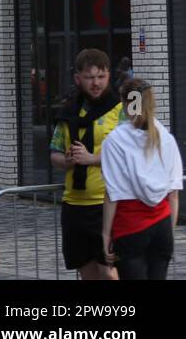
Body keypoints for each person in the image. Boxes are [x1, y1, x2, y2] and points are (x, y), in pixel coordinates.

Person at [50, 47, 123, 280]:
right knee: (87, 272)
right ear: (77, 78)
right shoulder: (69, 111)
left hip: (108, 203)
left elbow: (130, 155)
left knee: (109, 272)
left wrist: (92, 159)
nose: (96, 83)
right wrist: (68, 160)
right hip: (74, 205)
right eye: (90, 77)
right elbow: (54, 153)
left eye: (101, 76)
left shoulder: (120, 109)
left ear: (109, 76)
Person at [100, 78, 182, 280]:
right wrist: (168, 233)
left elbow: (113, 193)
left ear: (126, 104)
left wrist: (105, 235)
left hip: (130, 226)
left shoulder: (115, 141)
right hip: (162, 224)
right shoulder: (166, 138)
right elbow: (173, 195)